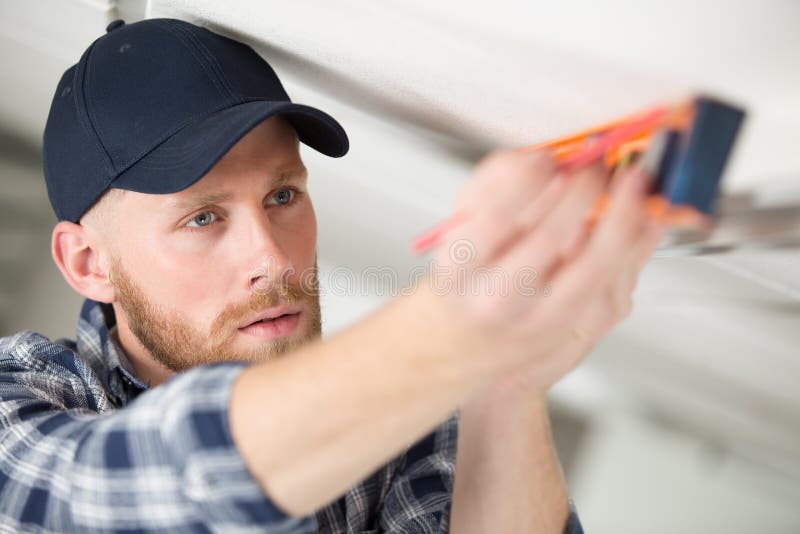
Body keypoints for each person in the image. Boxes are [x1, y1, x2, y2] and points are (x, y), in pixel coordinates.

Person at [0, 17, 665, 533]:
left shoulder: (403, 417)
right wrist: (453, 324)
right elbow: (150, 495)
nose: (271, 258)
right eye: (203, 219)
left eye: (283, 196)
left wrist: (508, 380)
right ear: (89, 264)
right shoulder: (19, 401)